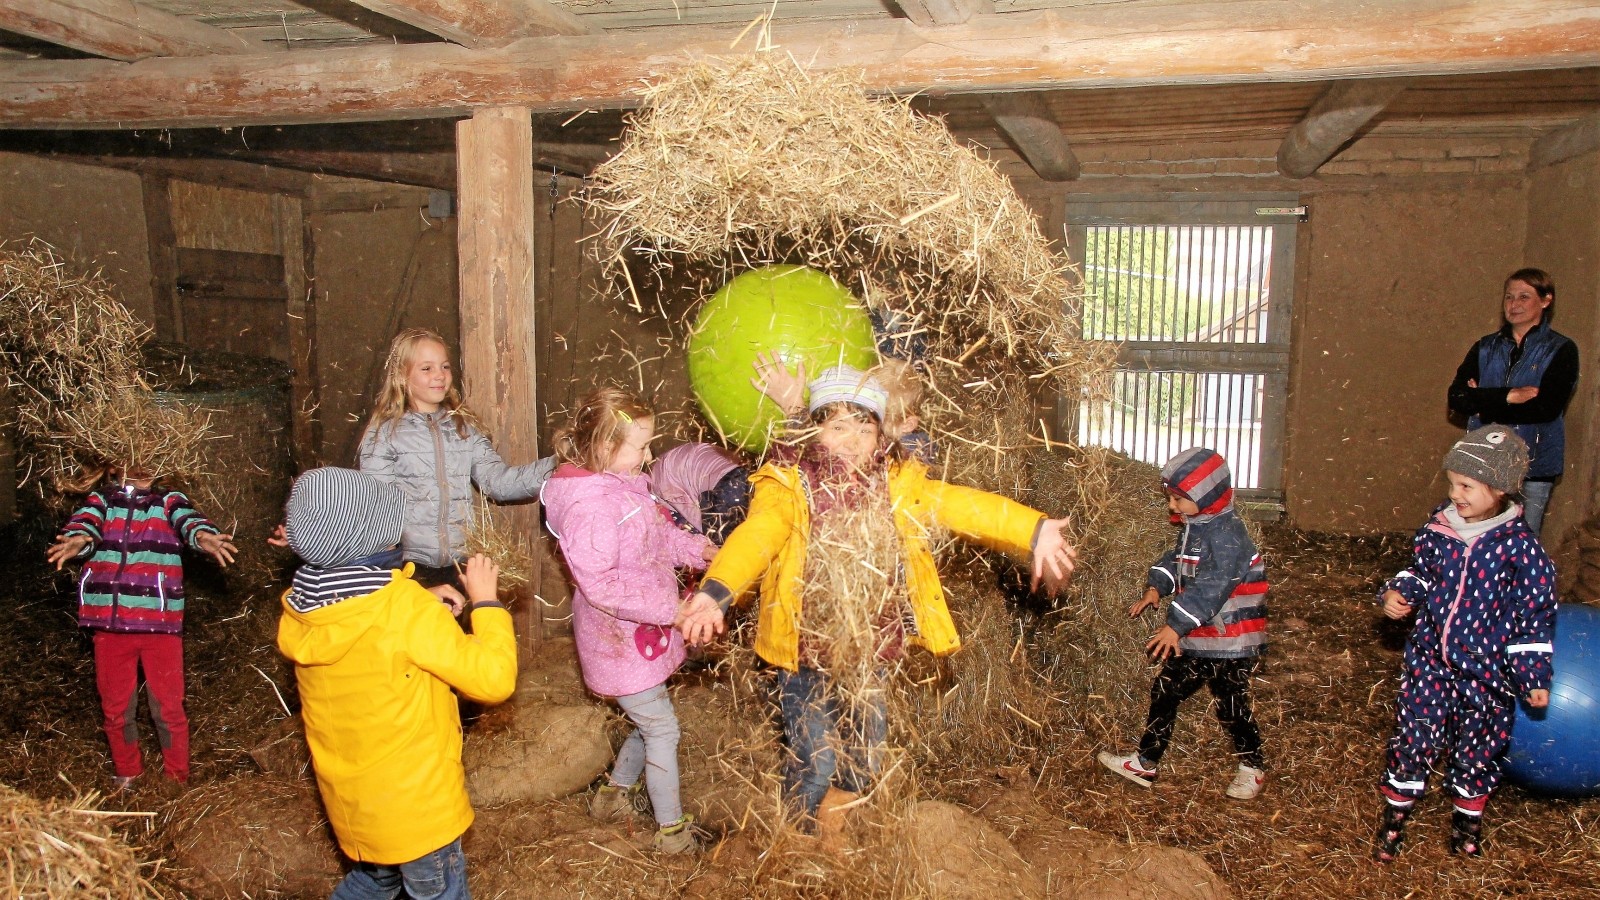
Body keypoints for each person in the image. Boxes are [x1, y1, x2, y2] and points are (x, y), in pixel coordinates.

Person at [676, 365, 1076, 833]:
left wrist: (1034, 529)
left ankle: (834, 831)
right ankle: (796, 844)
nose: (851, 439)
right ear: (815, 430)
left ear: (881, 431)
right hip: (804, 652)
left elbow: (963, 504)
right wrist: (716, 592)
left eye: (864, 425)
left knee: (863, 762)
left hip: (872, 652)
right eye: (837, 426)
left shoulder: (899, 484)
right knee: (814, 763)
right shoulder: (789, 485)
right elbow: (758, 536)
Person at [277, 467, 516, 899]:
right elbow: (492, 680)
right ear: (377, 535)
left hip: (354, 802)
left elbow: (365, 615)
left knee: (375, 880)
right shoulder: (405, 613)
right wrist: (486, 602)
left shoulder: (302, 603)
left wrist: (419, 599)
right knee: (438, 890)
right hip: (418, 807)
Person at [541, 388, 718, 854]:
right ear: (603, 446)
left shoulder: (622, 483)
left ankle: (614, 796)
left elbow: (657, 534)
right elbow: (600, 586)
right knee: (662, 728)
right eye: (640, 446)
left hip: (641, 631)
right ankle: (672, 834)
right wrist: (671, 610)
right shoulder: (590, 507)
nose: (649, 454)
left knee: (651, 721)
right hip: (618, 635)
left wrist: (699, 550)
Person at [1371, 425, 1555, 863]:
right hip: (1430, 661)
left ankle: (1466, 826)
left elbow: (1533, 618)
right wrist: (1399, 593)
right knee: (1413, 738)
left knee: (1479, 746)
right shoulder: (1440, 528)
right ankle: (1394, 821)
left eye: (1467, 486)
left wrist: (1532, 676)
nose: (1456, 493)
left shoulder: (1523, 552)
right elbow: (1421, 570)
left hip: (1487, 671)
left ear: (1499, 489)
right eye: (1452, 483)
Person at [47, 462, 236, 793]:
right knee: (116, 707)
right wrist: (77, 541)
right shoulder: (102, 501)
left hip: (159, 625)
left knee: (168, 706)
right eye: (134, 460)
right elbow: (85, 524)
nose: (143, 468)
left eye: (151, 461)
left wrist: (204, 537)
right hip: (110, 625)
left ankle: (177, 777)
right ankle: (127, 773)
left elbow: (189, 520)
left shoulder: (168, 501)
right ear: (116, 463)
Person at [1096, 448, 1270, 801]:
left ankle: (1252, 766)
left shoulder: (1228, 536)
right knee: (1166, 690)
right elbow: (1177, 561)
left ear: (1205, 497)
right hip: (1205, 636)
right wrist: (1155, 587)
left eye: (1178, 499)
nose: (1172, 506)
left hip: (1231, 639)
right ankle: (1146, 762)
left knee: (1230, 703)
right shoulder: (1199, 527)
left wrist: (1175, 626)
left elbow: (1214, 585)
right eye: (1171, 498)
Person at [357, 327, 555, 587]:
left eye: (445, 367)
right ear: (402, 376)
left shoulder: (463, 428)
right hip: (408, 568)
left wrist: (559, 464)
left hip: (461, 563)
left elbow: (497, 482)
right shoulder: (384, 433)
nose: (440, 375)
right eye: (426, 368)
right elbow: (376, 505)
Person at [1447, 268, 1578, 533]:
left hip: (1535, 463)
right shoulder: (1485, 347)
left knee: (1522, 540)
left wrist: (1482, 401)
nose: (1514, 305)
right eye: (1509, 297)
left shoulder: (1561, 349)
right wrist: (1509, 396)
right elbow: (1457, 399)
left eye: (1524, 297)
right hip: (1483, 462)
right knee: (1478, 537)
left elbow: (1546, 408)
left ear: (1545, 300)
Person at [649, 441, 751, 546]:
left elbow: (692, 512)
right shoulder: (665, 472)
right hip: (741, 476)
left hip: (721, 487)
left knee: (726, 545)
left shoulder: (659, 484)